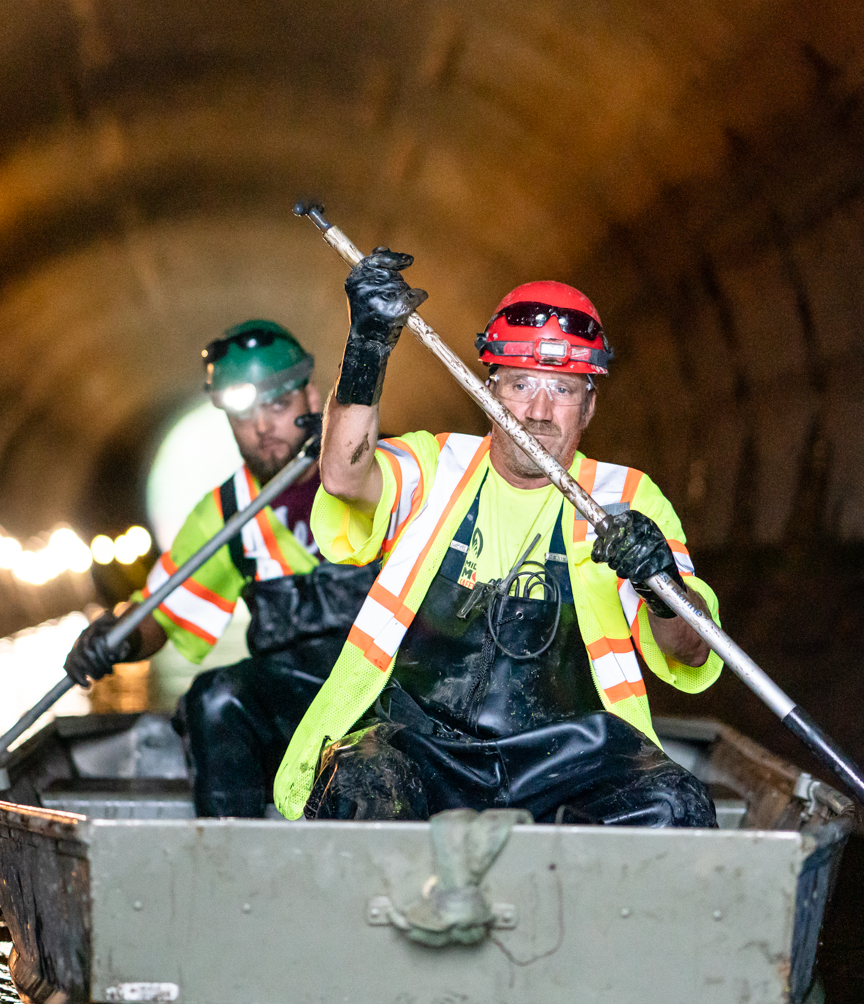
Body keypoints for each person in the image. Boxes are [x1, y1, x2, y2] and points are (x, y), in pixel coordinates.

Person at [271, 251, 724, 826]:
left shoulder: (625, 500)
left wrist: (661, 586)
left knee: (676, 804)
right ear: (489, 393)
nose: (537, 411)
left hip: (568, 760)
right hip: (417, 747)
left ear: (589, 406)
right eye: (520, 384)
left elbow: (692, 649)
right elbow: (343, 475)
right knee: (362, 788)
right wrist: (366, 349)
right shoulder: (437, 465)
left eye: (562, 390)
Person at [64, 320, 379, 818]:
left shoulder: (385, 471)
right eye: (244, 414)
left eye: (278, 406)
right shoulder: (229, 512)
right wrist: (116, 634)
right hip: (298, 702)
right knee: (213, 698)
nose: (262, 428)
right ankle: (228, 863)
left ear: (313, 400)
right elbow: (160, 613)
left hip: (393, 692)